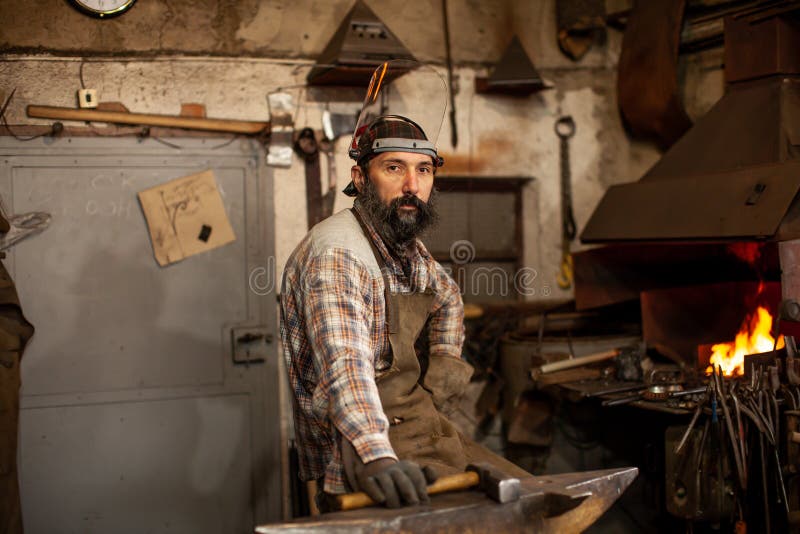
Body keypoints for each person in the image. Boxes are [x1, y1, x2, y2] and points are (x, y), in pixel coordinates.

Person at [281, 111, 528, 511]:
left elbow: (446, 294)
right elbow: (345, 367)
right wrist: (376, 457)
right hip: (356, 440)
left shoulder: (398, 243)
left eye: (424, 170)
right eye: (394, 168)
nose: (412, 186)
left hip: (413, 419)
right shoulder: (338, 257)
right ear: (360, 178)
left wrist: (439, 381)